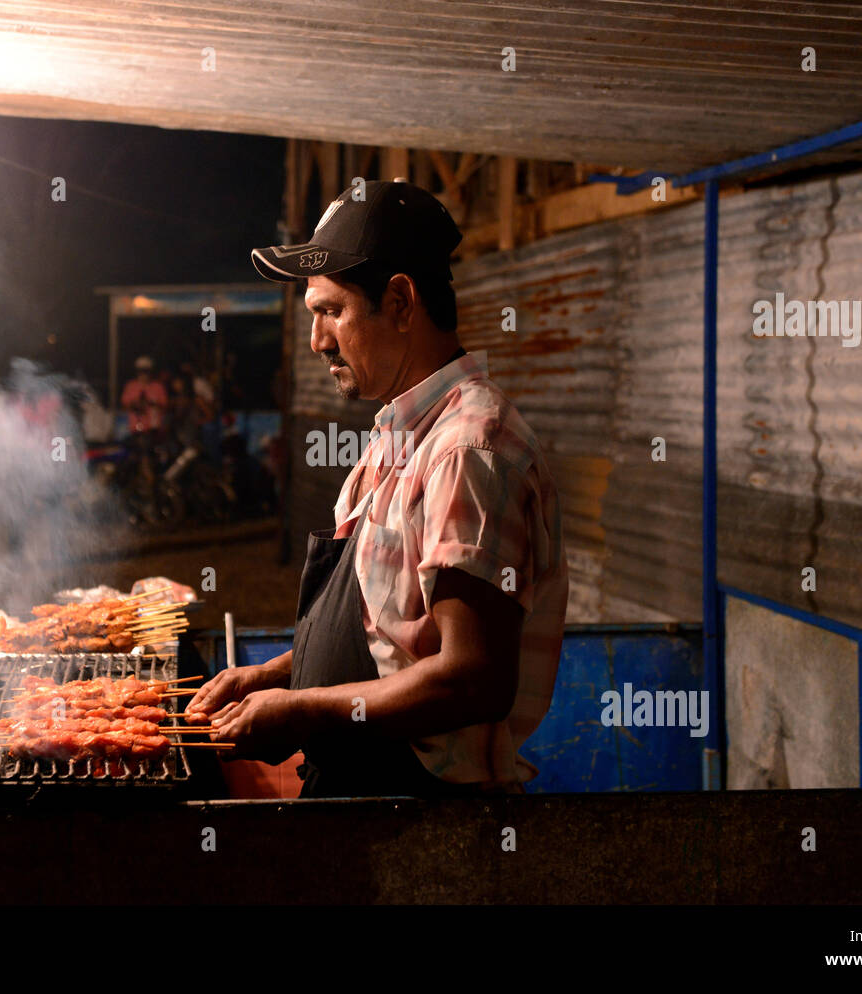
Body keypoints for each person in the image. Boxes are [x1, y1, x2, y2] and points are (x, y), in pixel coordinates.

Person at [188, 180, 568, 797]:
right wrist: (278, 677)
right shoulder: (397, 438)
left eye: (330, 312)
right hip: (363, 797)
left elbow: (473, 676)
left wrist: (304, 710)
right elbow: (389, 640)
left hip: (426, 823)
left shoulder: (469, 448)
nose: (316, 342)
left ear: (398, 302)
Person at [120, 355, 168, 438]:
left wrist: (152, 403)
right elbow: (125, 403)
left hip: (153, 428)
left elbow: (164, 404)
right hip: (136, 427)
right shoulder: (131, 386)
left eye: (146, 371)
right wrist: (135, 404)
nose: (143, 374)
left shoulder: (158, 386)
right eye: (140, 371)